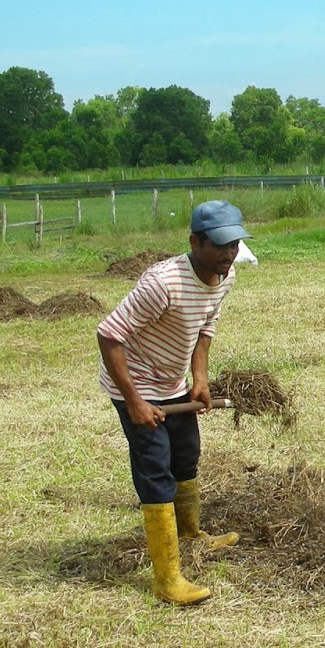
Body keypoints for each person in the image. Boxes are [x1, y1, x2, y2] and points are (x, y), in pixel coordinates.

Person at [96, 199, 251, 605]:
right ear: (195, 242)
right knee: (156, 468)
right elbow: (109, 335)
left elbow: (205, 326)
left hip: (174, 382)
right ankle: (166, 577)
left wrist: (199, 380)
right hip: (138, 385)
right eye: (220, 245)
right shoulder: (162, 283)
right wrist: (134, 401)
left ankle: (191, 534)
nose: (229, 253)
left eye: (234, 244)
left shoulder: (226, 275)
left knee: (186, 456)